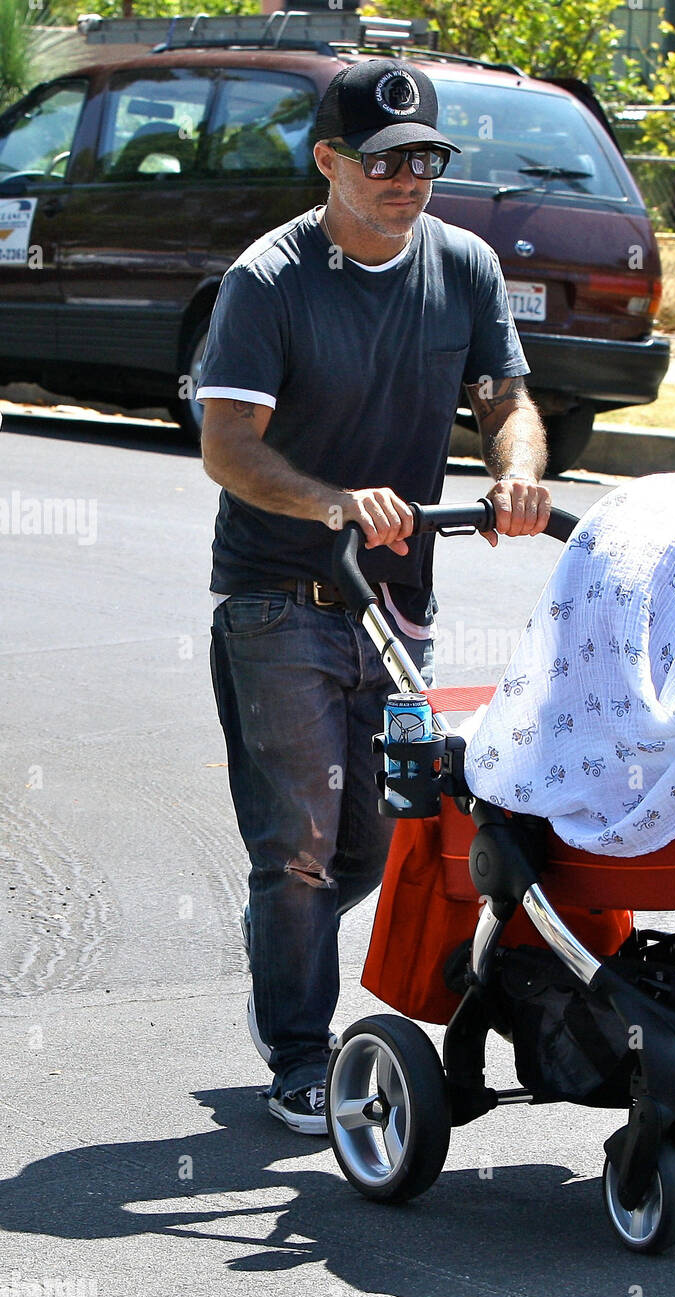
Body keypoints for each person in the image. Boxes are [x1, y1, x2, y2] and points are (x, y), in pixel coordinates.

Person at [197, 57, 551, 1134]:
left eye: (426, 161)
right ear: (329, 163)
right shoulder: (269, 281)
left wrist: (514, 467)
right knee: (299, 841)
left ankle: (281, 947)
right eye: (386, 162)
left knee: (381, 836)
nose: (409, 180)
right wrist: (334, 503)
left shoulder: (465, 266)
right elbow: (226, 448)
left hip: (398, 604)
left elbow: (507, 400)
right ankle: (302, 1050)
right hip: (278, 596)